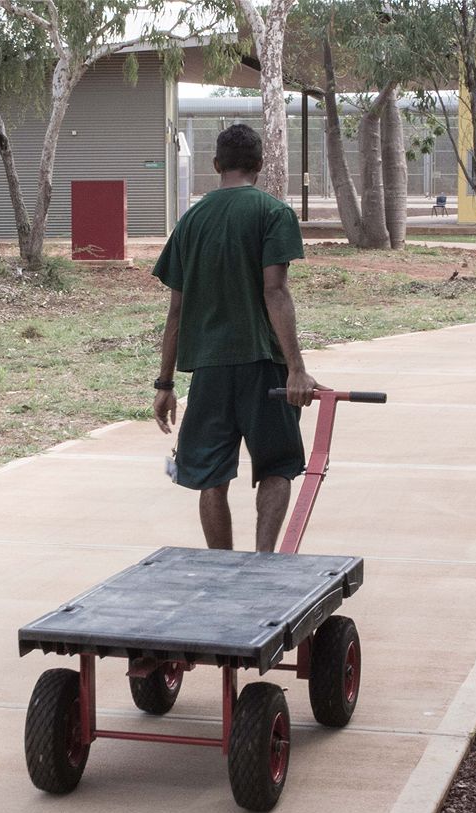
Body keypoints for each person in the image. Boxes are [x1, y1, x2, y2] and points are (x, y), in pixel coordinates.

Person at [151, 123, 325, 553]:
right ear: (260, 165)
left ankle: (221, 567)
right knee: (278, 465)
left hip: (208, 369)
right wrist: (297, 369)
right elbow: (275, 290)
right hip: (263, 366)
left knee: (211, 474)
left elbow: (176, 310)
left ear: (216, 166)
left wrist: (165, 384)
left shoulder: (191, 221)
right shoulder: (272, 213)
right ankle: (264, 563)